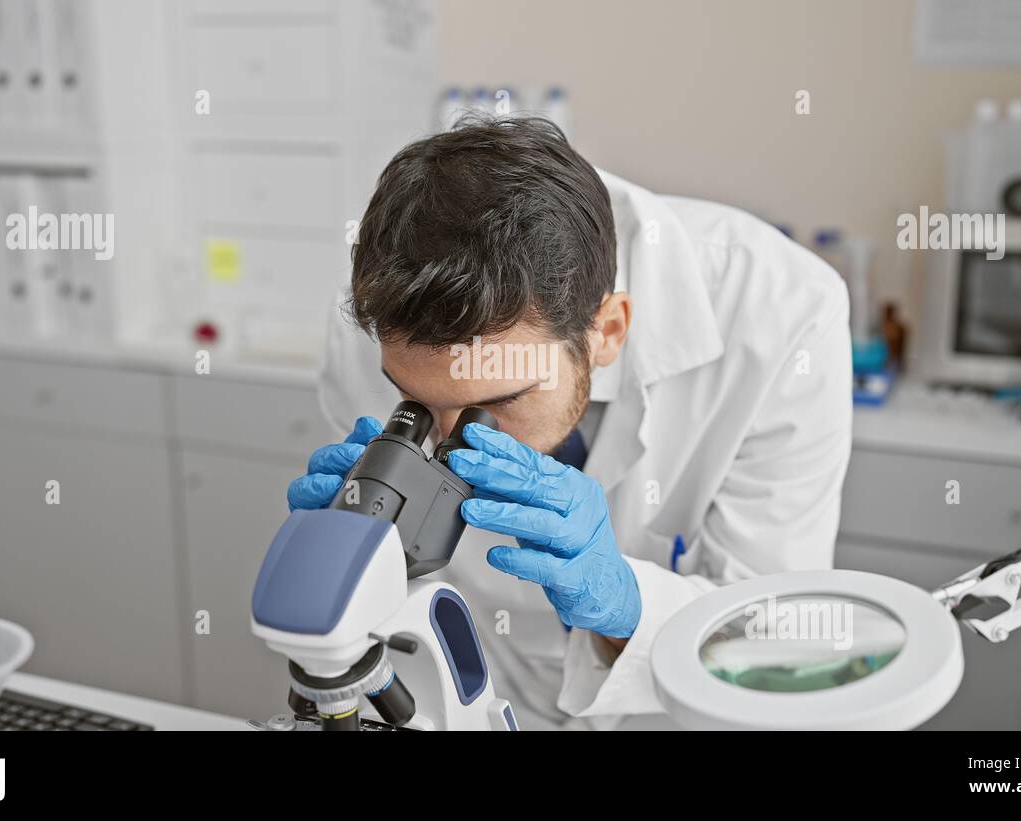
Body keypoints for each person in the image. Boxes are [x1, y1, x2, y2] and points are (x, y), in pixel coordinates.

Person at [288, 116, 852, 729]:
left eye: (493, 405)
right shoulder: (368, 327)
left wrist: (629, 607)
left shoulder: (784, 314)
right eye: (418, 406)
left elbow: (770, 637)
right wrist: (345, 563)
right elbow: (403, 611)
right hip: (494, 696)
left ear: (607, 330)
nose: (449, 445)